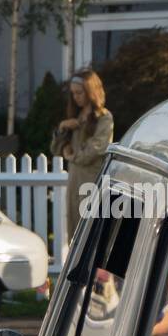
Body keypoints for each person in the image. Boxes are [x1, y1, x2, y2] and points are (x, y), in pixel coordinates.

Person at [51, 69, 114, 245]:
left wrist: (71, 156)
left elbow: (94, 150)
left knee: (91, 234)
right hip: (74, 182)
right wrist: (63, 127)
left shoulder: (104, 118)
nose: (76, 97)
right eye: (73, 94)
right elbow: (55, 149)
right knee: (74, 233)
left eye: (80, 93)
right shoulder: (75, 117)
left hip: (91, 182)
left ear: (90, 91)